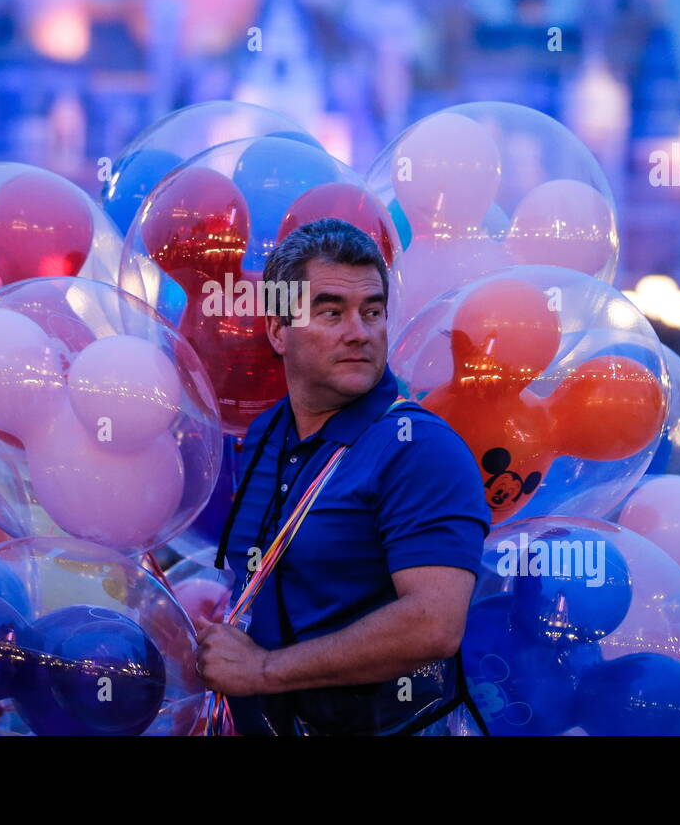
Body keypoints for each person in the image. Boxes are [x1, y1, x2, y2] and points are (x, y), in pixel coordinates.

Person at [196, 217, 491, 735]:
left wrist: (263, 671)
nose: (360, 332)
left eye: (371, 311)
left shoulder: (420, 447)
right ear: (277, 330)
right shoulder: (265, 432)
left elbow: (433, 624)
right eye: (331, 312)